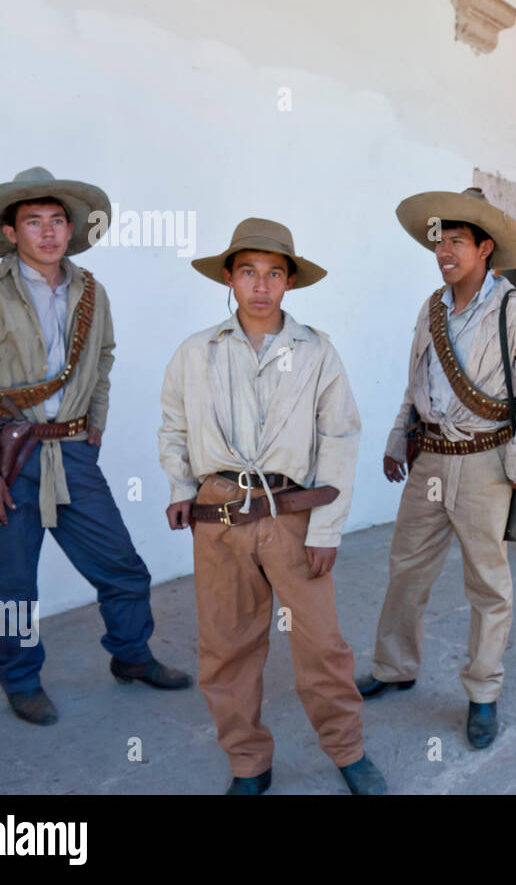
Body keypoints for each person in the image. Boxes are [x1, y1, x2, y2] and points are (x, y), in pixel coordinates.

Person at [0, 167, 191, 727]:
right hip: (3, 456)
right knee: (8, 584)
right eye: (34, 222)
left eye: (57, 221)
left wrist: (93, 424)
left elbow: (102, 359)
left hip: (71, 451)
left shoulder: (91, 291)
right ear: (10, 233)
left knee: (122, 567)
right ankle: (21, 681)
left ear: (71, 229)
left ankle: (131, 657)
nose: (49, 232)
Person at [158, 217, 384, 795]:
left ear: (289, 283)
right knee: (227, 645)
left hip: (292, 512)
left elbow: (340, 438)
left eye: (274, 273)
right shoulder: (196, 352)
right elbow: (174, 427)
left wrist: (327, 529)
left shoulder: (316, 352)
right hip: (220, 512)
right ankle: (248, 762)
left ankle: (347, 750)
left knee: (321, 644)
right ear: (230, 279)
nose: (261, 285)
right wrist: (183, 491)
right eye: (249, 272)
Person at [359, 188, 516, 749]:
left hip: (484, 463)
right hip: (430, 460)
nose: (444, 252)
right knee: (406, 570)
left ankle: (482, 693)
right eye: (439, 242)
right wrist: (400, 438)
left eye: (456, 242)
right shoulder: (431, 309)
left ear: (485, 248)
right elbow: (415, 380)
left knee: (487, 584)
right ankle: (395, 667)